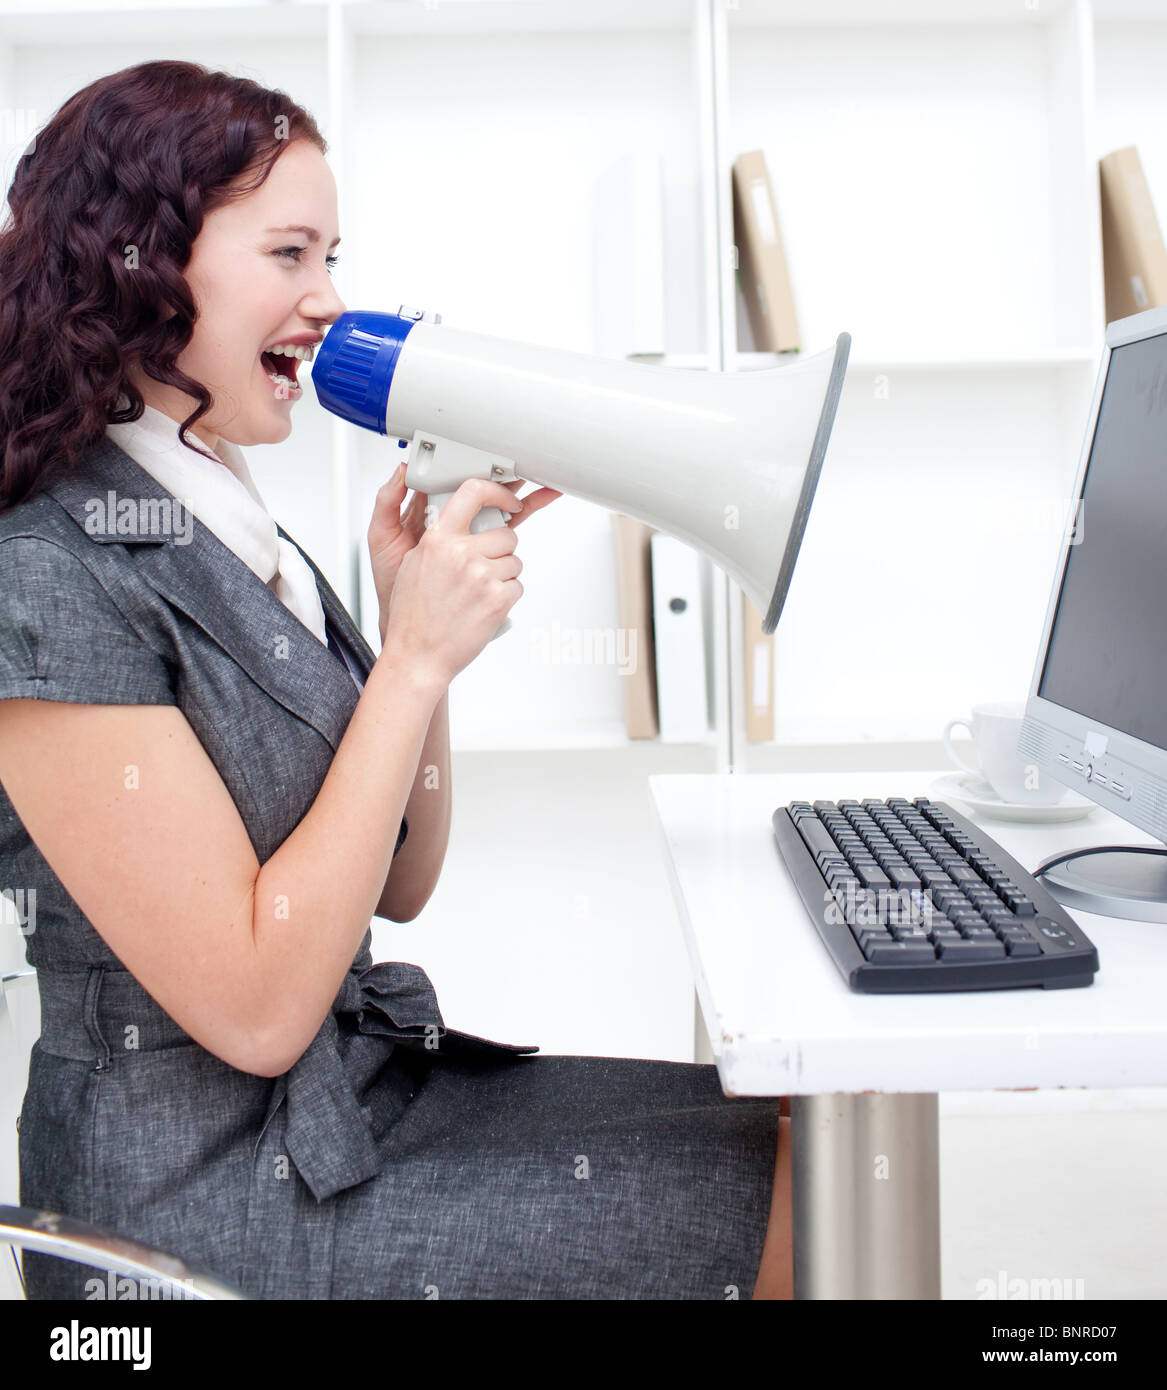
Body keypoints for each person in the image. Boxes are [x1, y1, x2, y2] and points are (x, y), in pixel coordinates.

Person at [0, 60, 792, 1300]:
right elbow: (261, 1009)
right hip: (201, 1198)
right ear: (141, 260)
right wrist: (409, 658)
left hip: (356, 1107)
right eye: (290, 253)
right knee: (791, 1211)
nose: (329, 302)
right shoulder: (48, 572)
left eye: (333, 258)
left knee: (798, 1147)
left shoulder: (218, 512)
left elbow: (404, 882)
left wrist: (412, 645)